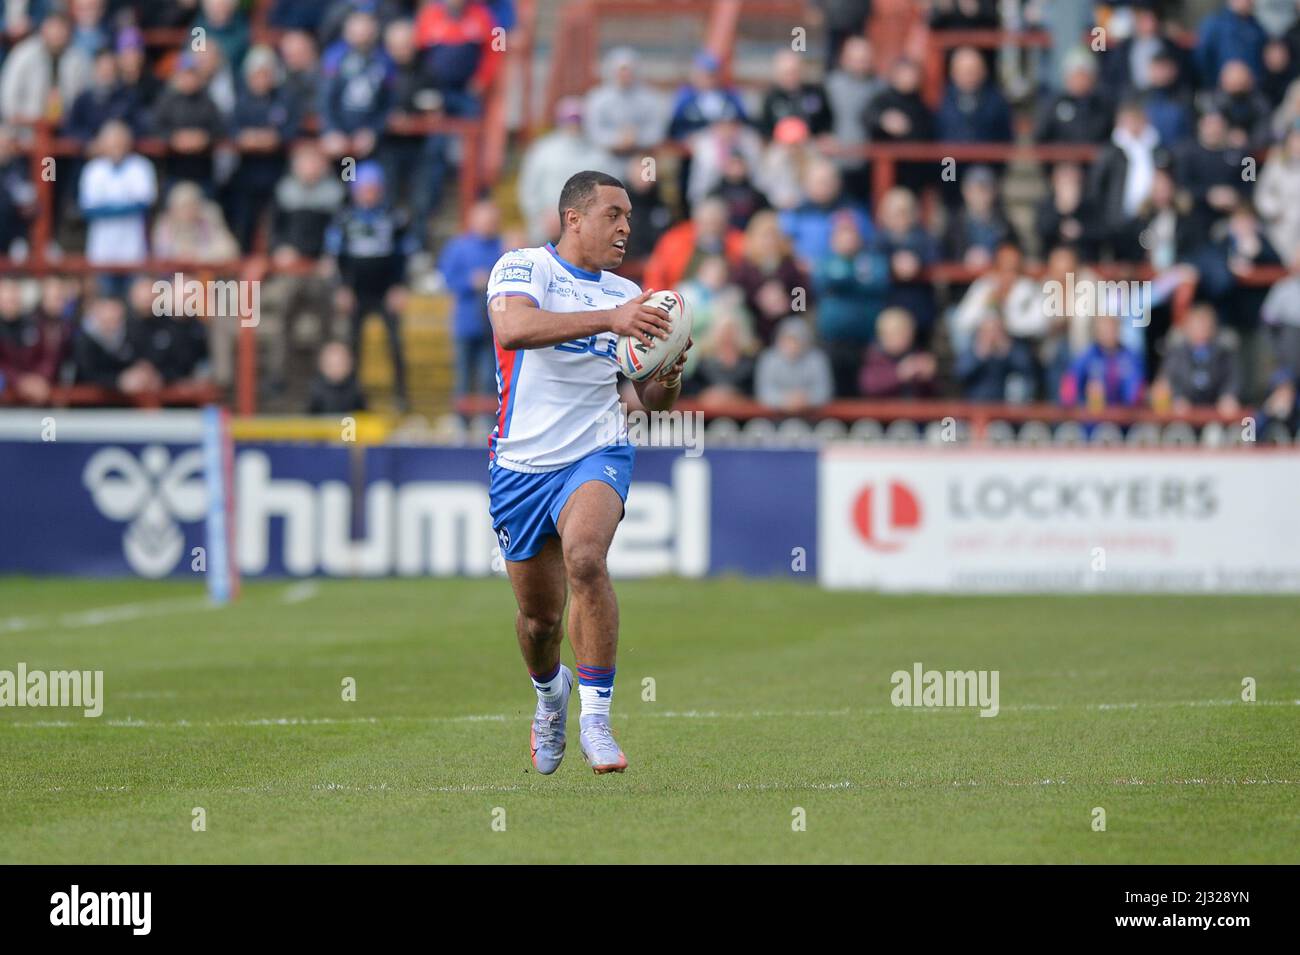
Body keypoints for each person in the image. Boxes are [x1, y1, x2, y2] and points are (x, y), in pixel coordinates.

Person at [484, 169, 690, 775]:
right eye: (613, 215)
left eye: (629, 217)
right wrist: (612, 321)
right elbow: (513, 330)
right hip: (520, 463)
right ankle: (551, 694)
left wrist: (668, 375)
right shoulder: (524, 268)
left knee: (585, 558)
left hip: (597, 450)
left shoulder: (628, 295)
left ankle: (597, 720)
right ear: (572, 218)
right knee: (538, 621)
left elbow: (643, 402)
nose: (626, 227)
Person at [438, 198, 502, 398]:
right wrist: (469, 281)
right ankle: (461, 419)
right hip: (465, 320)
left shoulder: (503, 246)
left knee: (489, 375)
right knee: (463, 374)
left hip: (494, 323)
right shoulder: (459, 247)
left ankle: (487, 418)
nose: (488, 225)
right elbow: (446, 279)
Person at [754, 316, 833, 411]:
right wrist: (785, 400)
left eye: (796, 340)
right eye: (788, 339)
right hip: (775, 415)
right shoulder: (768, 359)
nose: (792, 345)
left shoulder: (817, 359)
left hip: (813, 414)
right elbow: (764, 393)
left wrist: (806, 399)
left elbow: (824, 391)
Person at [307, 340, 367, 414]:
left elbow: (364, 418)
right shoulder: (314, 391)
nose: (336, 368)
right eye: (331, 364)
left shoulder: (356, 389)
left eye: (340, 363)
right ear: (322, 365)